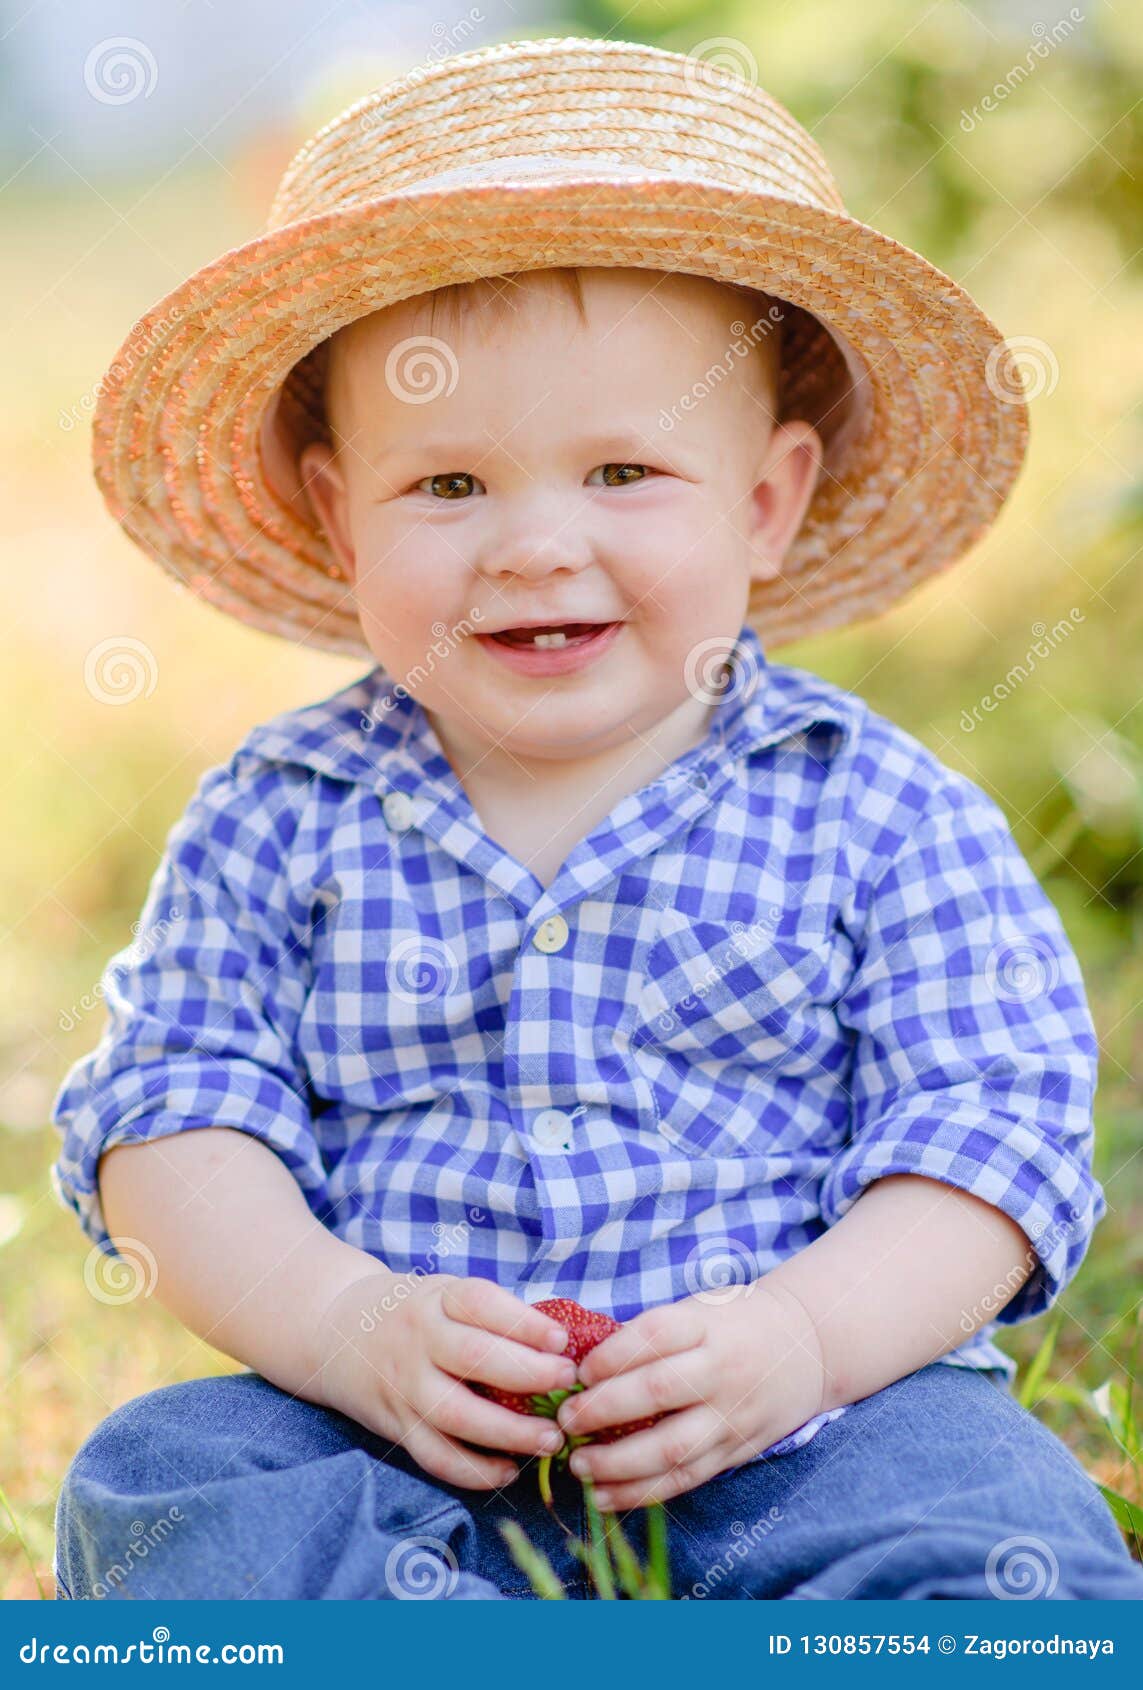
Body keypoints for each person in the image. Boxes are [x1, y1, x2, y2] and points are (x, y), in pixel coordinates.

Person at [49, 36, 1143, 1600]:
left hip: (811, 1428)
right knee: (172, 1481)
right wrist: (341, 1322)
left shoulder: (882, 815)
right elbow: (171, 1121)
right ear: (328, 507)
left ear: (765, 502)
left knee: (995, 1526)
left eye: (624, 469)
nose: (536, 547)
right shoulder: (277, 819)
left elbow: (987, 1134)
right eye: (446, 486)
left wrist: (804, 1335)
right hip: (383, 1436)